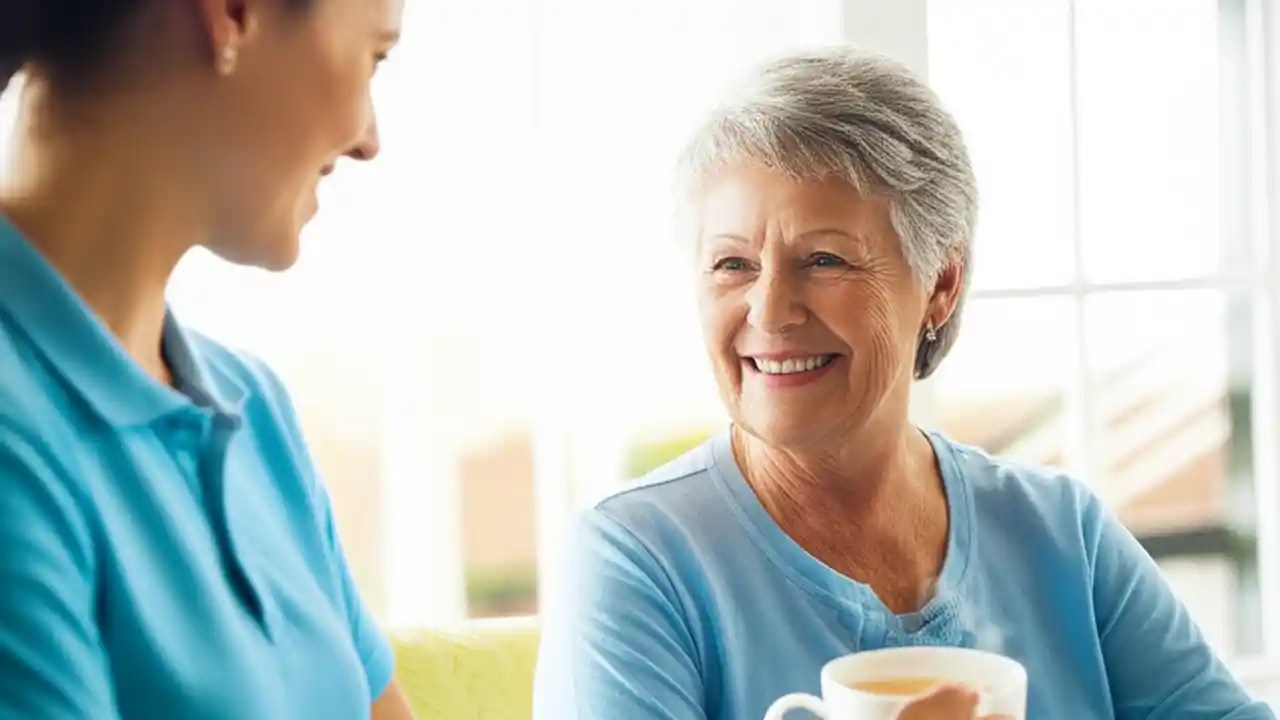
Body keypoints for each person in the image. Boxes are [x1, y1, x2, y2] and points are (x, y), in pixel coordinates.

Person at [532, 46, 1275, 719]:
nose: (770, 311)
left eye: (824, 260)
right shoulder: (635, 558)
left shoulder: (1060, 534)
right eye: (733, 264)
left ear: (941, 283)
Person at [0, 1, 414, 717]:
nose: (369, 140)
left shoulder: (256, 411)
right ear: (231, 14)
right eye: (372, 57)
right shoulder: (17, 437)